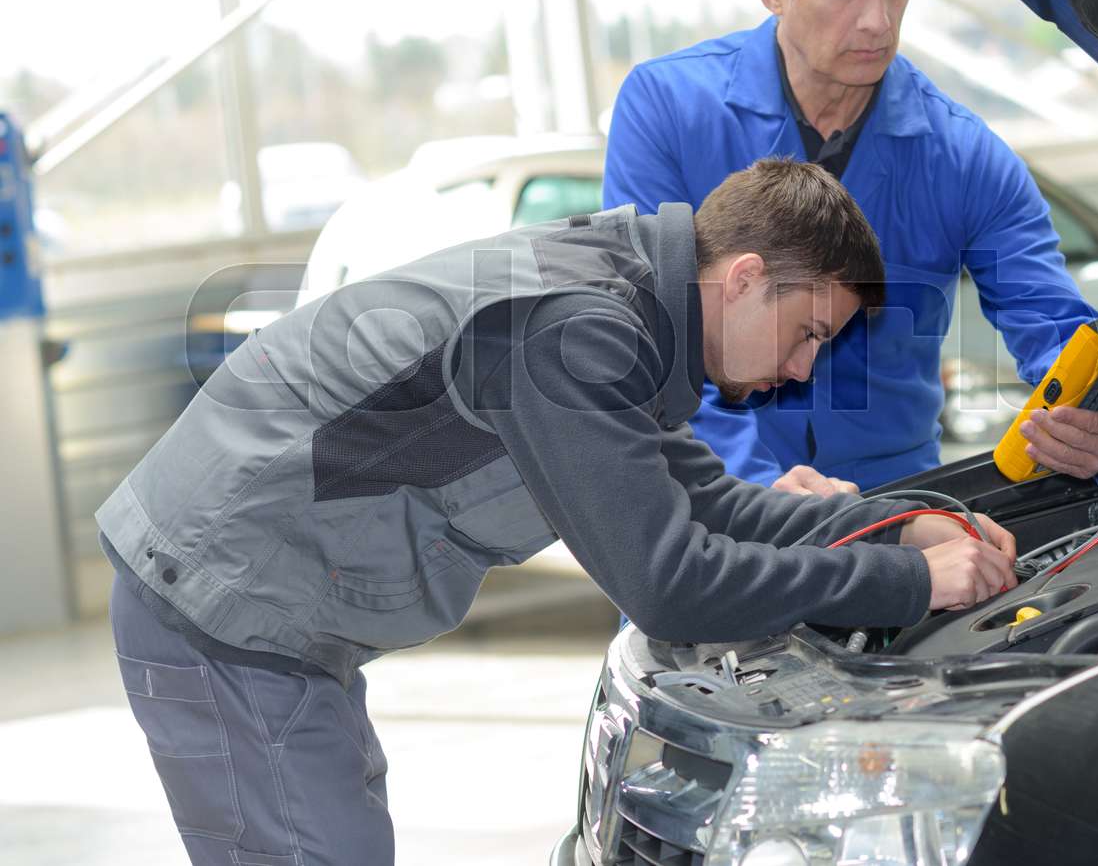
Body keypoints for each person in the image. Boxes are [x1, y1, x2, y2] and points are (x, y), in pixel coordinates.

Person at [97, 159, 1017, 866]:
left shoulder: (625, 319)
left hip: (268, 606)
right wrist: (904, 582)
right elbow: (671, 583)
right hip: (219, 605)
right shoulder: (575, 331)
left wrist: (900, 526)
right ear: (741, 280)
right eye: (808, 330)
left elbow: (715, 505)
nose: (805, 368)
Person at [604, 0, 1098, 498]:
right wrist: (754, 492)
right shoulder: (667, 110)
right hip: (707, 508)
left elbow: (1055, 330)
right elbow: (649, 338)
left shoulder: (969, 158)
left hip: (896, 522)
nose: (877, 19)